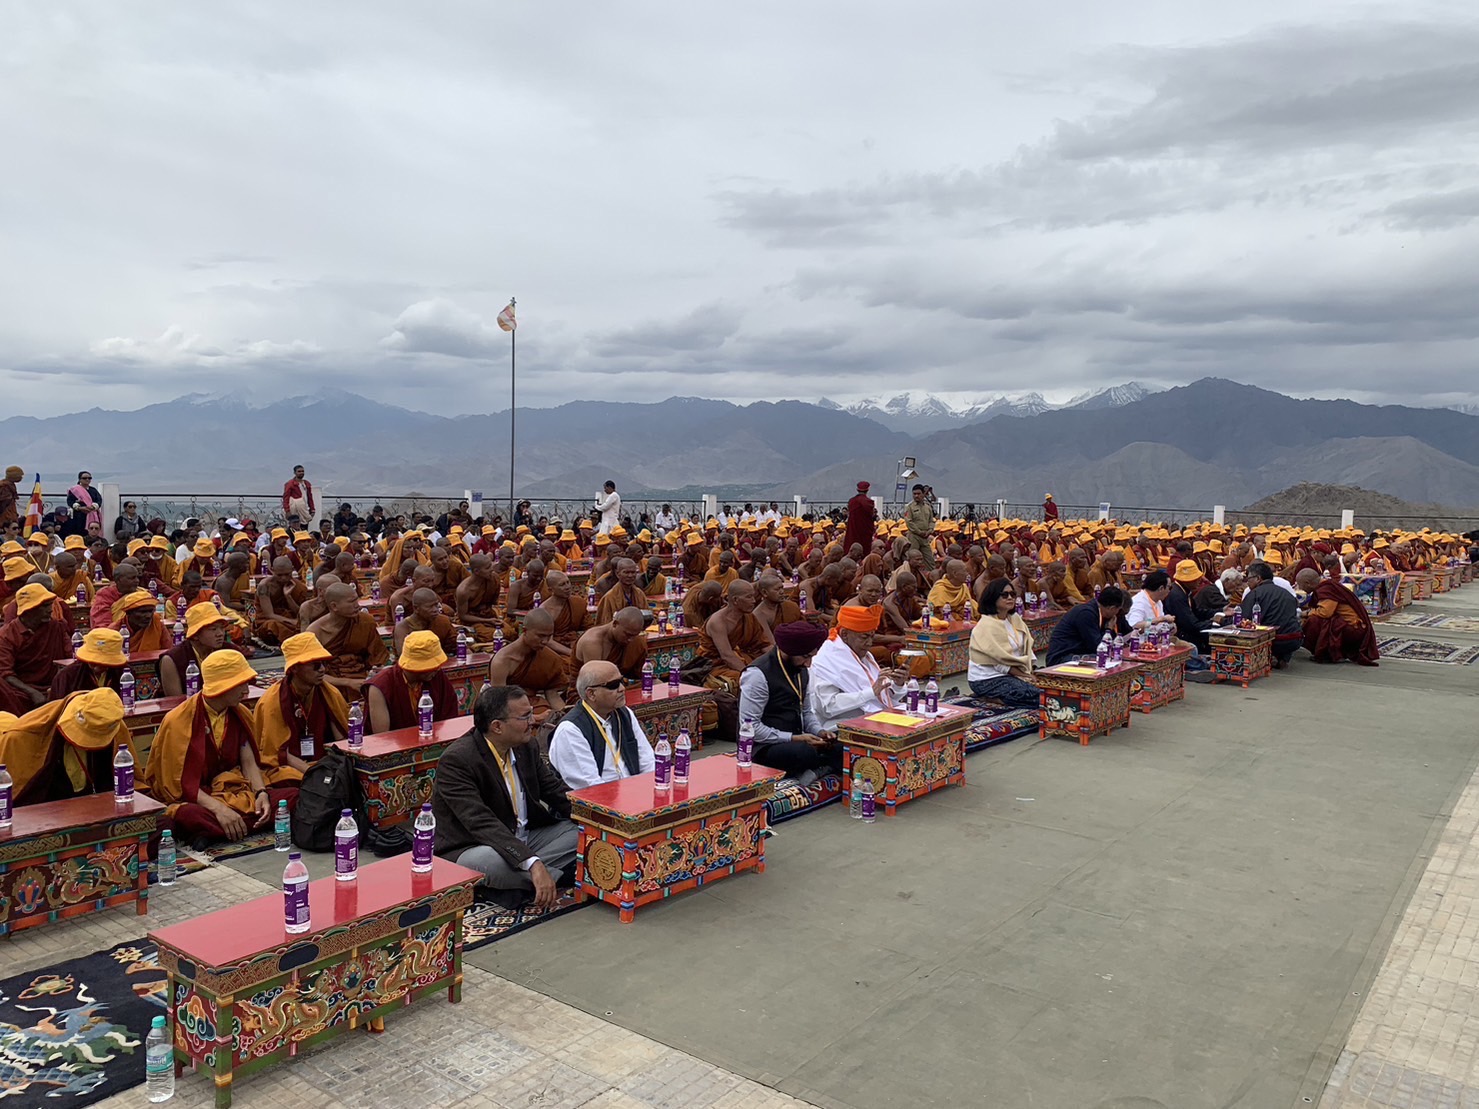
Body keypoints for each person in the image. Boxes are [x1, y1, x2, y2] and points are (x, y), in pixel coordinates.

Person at [431, 684, 577, 909]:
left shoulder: (525, 746)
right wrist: (533, 863)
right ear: (497, 726)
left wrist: (594, 815)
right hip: (477, 845)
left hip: (526, 835)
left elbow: (556, 791)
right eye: (525, 716)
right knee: (490, 862)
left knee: (581, 833)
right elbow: (481, 823)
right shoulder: (458, 760)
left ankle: (515, 883)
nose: (533, 721)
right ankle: (548, 876)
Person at [141, 650, 299, 843]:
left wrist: (261, 793)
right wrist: (219, 809)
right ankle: (229, 824)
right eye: (241, 684)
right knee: (188, 815)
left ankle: (217, 831)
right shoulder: (178, 721)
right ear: (223, 687)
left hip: (234, 791)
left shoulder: (239, 713)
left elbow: (249, 762)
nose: (246, 691)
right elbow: (178, 784)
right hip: (199, 797)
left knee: (292, 795)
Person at [738, 620, 840, 781]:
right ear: (789, 650)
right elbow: (750, 727)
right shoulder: (757, 675)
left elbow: (806, 712)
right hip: (764, 747)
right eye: (805, 657)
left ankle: (821, 768)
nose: (809, 663)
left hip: (798, 739)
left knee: (843, 741)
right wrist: (793, 738)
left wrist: (820, 732)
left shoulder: (801, 669)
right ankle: (823, 767)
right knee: (804, 753)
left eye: (812, 657)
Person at [0, 689, 137, 806]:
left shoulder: (111, 724)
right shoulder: (22, 738)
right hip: (47, 812)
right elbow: (12, 800)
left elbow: (132, 781)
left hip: (98, 806)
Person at [548, 660, 656, 790]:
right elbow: (589, 786)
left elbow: (648, 762)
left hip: (633, 793)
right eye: (614, 685)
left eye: (622, 681)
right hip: (597, 804)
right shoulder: (570, 730)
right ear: (591, 694)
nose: (622, 688)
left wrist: (646, 790)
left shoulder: (624, 713)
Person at [254, 632, 350, 776]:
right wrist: (312, 773)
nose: (322, 669)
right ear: (294, 668)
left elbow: (341, 737)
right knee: (287, 778)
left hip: (323, 761)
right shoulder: (273, 702)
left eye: (323, 663)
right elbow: (277, 752)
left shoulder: (329, 693)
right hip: (290, 766)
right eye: (316, 665)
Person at [809, 604, 906, 732]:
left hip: (875, 719)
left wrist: (897, 685)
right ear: (844, 634)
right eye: (864, 637)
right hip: (840, 728)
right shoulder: (825, 660)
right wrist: (870, 693)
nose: (870, 643)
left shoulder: (862, 654)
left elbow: (881, 700)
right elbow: (828, 707)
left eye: (872, 636)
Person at [366, 629, 460, 734]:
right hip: (399, 748)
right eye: (432, 666)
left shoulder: (437, 676)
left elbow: (451, 721)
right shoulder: (380, 686)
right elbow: (382, 738)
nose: (437, 669)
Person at [0, 585, 74, 714]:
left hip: (54, 686)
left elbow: (68, 658)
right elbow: (6, 674)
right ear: (28, 610)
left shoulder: (56, 627)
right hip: (21, 690)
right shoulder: (7, 635)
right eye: (44, 606)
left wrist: (57, 685)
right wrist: (32, 692)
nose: (50, 610)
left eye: (50, 605)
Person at [967, 578, 1040, 708]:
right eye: (1004, 595)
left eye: (1012, 594)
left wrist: (1030, 672)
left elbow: (1026, 648)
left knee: (1048, 691)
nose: (1010, 598)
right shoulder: (986, 626)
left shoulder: (1015, 619)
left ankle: (1003, 698)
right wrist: (1024, 676)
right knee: (1034, 695)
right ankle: (992, 698)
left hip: (1014, 674)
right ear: (993, 598)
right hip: (987, 679)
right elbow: (998, 663)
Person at [487, 608, 569, 721]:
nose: (545, 641)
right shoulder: (502, 661)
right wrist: (536, 718)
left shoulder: (548, 657)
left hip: (538, 706)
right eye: (540, 636)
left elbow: (552, 694)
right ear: (524, 631)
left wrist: (567, 717)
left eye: (549, 636)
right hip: (511, 714)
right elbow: (498, 704)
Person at [307, 582, 389, 694]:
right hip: (331, 683)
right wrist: (348, 682)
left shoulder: (365, 621)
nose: (357, 605)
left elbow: (377, 658)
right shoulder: (315, 631)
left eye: (356, 600)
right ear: (334, 606)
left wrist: (376, 672)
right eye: (351, 602)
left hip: (363, 676)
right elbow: (311, 674)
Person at [1295, 568, 1380, 666]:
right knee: (1319, 619)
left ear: (1307, 583)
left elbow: (1325, 613)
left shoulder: (1326, 589)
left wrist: (1305, 613)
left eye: (1300, 585)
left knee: (1314, 621)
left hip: (1354, 629)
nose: (1299, 588)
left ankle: (1327, 653)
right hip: (1353, 626)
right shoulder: (1326, 585)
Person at [699, 580, 773, 690]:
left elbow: (763, 645)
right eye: (749, 597)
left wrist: (780, 658)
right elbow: (726, 656)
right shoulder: (718, 621)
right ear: (735, 600)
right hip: (716, 665)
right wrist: (750, 673)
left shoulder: (749, 617)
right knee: (748, 681)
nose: (753, 601)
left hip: (742, 658)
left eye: (753, 596)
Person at [1045, 587, 1132, 666]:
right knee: (1105, 660)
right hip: (1063, 657)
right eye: (1118, 610)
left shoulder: (1108, 614)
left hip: (1082, 654)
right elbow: (1097, 647)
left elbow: (1128, 633)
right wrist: (1108, 629)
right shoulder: (1086, 613)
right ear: (1112, 608)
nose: (1118, 614)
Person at [158, 604, 231, 697]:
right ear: (195, 635)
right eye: (213, 629)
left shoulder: (229, 651)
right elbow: (175, 703)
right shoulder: (172, 660)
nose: (220, 634)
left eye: (222, 628)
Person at [1240, 562, 1302, 668]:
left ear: (1258, 578)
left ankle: (1268, 656)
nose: (1247, 582)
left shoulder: (1254, 594)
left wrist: (1222, 620)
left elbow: (1243, 620)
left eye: (1248, 578)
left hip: (1272, 640)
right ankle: (1282, 658)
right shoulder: (1286, 593)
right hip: (1294, 639)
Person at [573, 607, 649, 683]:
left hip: (619, 685)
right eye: (627, 635)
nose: (630, 640)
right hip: (592, 690)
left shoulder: (633, 640)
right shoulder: (592, 642)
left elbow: (640, 674)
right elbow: (595, 682)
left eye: (634, 635)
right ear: (615, 624)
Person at [49, 627, 127, 698]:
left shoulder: (124, 674)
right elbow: (56, 708)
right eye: (93, 660)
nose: (96, 665)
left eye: (103, 662)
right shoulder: (67, 676)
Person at [255, 557, 307, 645]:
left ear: (292, 569)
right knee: (271, 625)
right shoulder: (264, 586)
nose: (283, 578)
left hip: (291, 619)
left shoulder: (299, 586)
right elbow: (269, 614)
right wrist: (291, 622)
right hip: (271, 620)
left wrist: (288, 596)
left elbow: (300, 612)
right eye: (279, 575)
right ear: (272, 570)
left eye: (287, 574)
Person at [394, 587, 457, 656]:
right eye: (430, 607)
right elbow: (403, 655)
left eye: (436, 605)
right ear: (416, 608)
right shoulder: (403, 627)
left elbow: (455, 646)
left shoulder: (443, 621)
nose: (435, 610)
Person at [902, 484, 937, 571]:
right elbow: (909, 522)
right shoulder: (909, 507)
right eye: (914, 494)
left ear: (923, 494)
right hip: (914, 536)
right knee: (912, 559)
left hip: (925, 536)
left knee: (929, 559)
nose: (916, 496)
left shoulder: (927, 507)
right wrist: (919, 532)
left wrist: (930, 530)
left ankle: (930, 577)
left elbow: (931, 520)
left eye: (918, 493)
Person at [844, 481, 876, 556]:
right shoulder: (868, 502)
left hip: (853, 530)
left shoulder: (851, 501)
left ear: (857, 489)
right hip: (864, 532)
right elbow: (871, 515)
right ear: (867, 490)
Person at [66, 472, 102, 536]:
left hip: (92, 514)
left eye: (89, 478)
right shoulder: (74, 490)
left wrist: (93, 507)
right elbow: (70, 501)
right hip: (79, 516)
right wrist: (80, 508)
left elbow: (99, 500)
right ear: (80, 479)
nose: (87, 480)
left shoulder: (93, 490)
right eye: (85, 478)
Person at [0, 466, 20, 530]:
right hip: (5, 519)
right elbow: (3, 504)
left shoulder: (10, 485)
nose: (21, 478)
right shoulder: (5, 486)